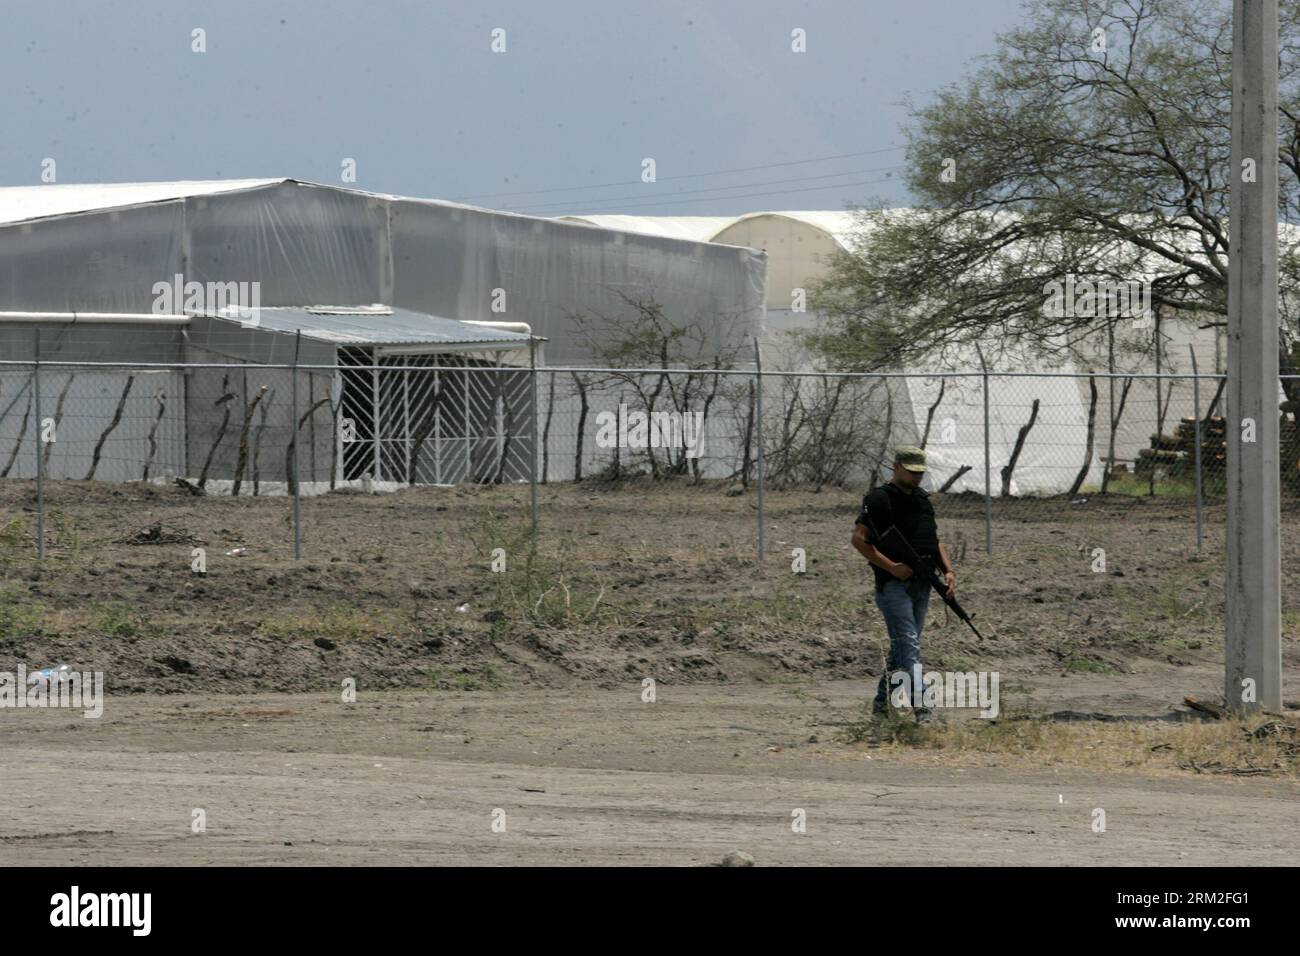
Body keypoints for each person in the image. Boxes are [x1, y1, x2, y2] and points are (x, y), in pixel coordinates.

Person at [850, 446, 956, 723]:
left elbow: (935, 542)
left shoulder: (922, 501)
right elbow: (859, 539)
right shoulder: (879, 499)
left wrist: (948, 570)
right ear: (896, 467)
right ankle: (923, 706)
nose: (916, 478)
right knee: (908, 645)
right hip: (893, 586)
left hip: (922, 583)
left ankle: (881, 705)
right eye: (911, 472)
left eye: (919, 473)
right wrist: (892, 567)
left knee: (903, 648)